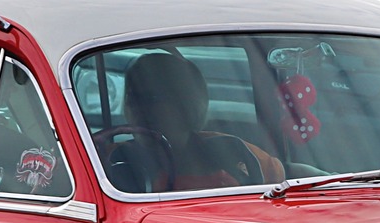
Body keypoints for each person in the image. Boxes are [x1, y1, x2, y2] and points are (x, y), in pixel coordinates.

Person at [117, 51, 284, 190]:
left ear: (185, 102)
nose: (138, 107)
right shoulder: (108, 159)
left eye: (152, 98)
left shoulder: (238, 154)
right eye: (132, 97)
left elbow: (284, 189)